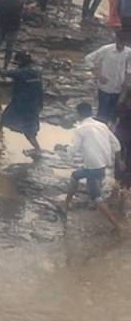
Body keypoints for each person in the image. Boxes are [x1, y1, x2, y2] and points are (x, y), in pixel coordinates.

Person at [63, 102, 123, 232]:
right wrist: (119, 161)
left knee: (96, 198)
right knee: (75, 175)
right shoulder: (102, 125)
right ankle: (66, 204)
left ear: (79, 114)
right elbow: (116, 144)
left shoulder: (80, 129)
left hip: (93, 166)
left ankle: (116, 225)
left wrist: (67, 153)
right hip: (103, 163)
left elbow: (74, 148)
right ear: (91, 112)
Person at [0, 52, 44, 154]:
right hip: (33, 105)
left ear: (20, 62)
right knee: (29, 130)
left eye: (16, 62)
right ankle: (38, 149)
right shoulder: (37, 73)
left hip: (19, 105)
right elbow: (40, 90)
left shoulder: (19, 73)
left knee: (1, 120)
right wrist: (40, 105)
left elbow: (3, 73)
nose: (16, 65)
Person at [84, 33, 131, 122]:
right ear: (116, 40)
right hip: (105, 85)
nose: (122, 44)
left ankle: (108, 130)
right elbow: (88, 58)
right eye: (120, 41)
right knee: (102, 112)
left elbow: (129, 68)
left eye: (124, 42)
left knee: (113, 111)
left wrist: (127, 81)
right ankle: (100, 128)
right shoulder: (106, 49)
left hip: (118, 86)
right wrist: (98, 75)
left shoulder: (128, 52)